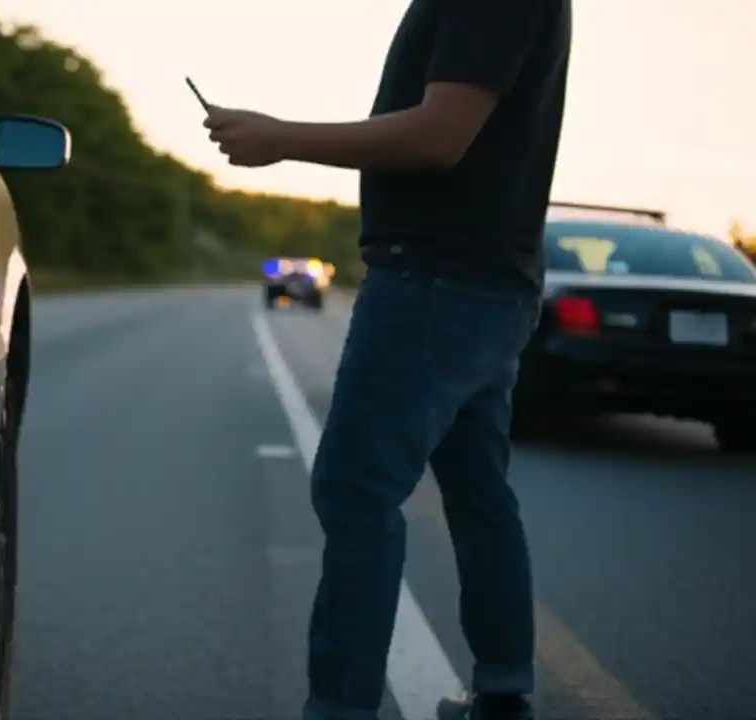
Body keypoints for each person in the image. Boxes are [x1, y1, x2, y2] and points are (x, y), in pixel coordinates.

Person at [203, 1, 572, 719]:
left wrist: (281, 138)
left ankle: (341, 709)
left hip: (436, 282)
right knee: (477, 492)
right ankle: (502, 691)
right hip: (485, 282)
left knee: (355, 490)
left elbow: (442, 134)